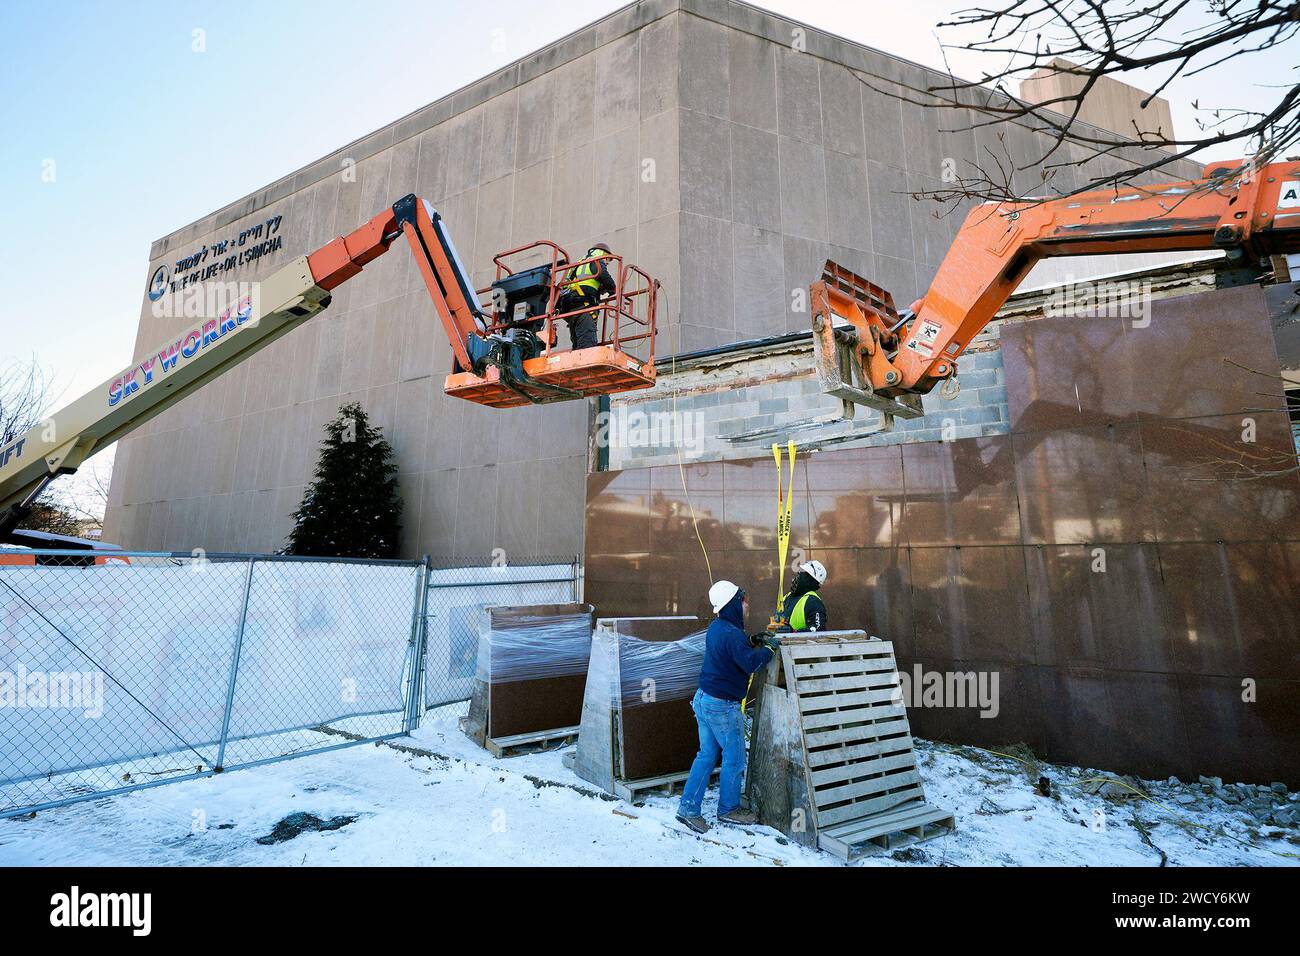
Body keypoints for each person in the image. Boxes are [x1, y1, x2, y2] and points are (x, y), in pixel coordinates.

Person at [676, 580, 779, 834]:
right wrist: (767, 648)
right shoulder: (732, 634)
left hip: (704, 699)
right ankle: (729, 809)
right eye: (743, 600)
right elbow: (749, 664)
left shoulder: (718, 627)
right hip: (722, 706)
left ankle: (688, 808)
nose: (747, 605)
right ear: (733, 604)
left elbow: (733, 651)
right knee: (734, 758)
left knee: (707, 755)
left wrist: (753, 640)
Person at [556, 242, 616, 350]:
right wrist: (612, 287)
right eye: (608, 260)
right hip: (584, 306)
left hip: (571, 307)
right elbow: (603, 274)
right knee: (587, 346)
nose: (607, 263)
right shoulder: (597, 259)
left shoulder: (578, 264)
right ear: (603, 253)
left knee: (578, 345)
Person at [779, 560, 829, 632]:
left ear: (810, 580)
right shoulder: (787, 596)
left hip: (798, 643)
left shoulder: (813, 602)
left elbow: (819, 629)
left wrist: (793, 632)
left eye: (800, 575)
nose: (796, 578)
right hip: (780, 642)